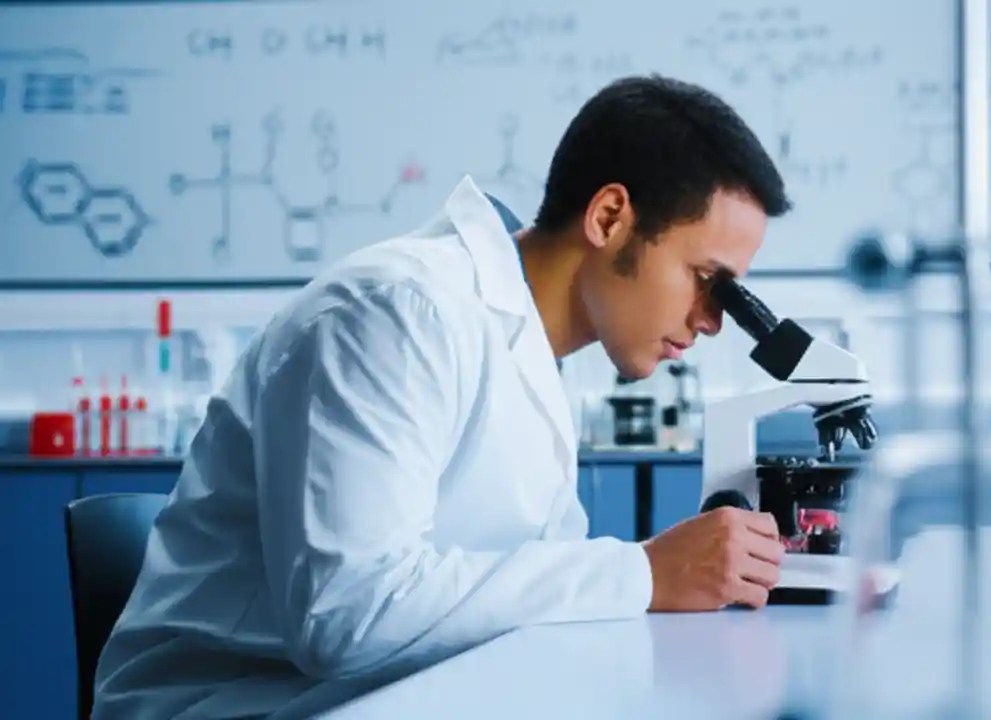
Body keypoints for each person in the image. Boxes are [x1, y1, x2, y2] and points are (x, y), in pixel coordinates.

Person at [92, 74, 794, 719]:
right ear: (610, 217)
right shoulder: (397, 312)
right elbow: (348, 617)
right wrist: (640, 571)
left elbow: (520, 605)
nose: (710, 320)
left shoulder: (526, 342)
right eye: (708, 278)